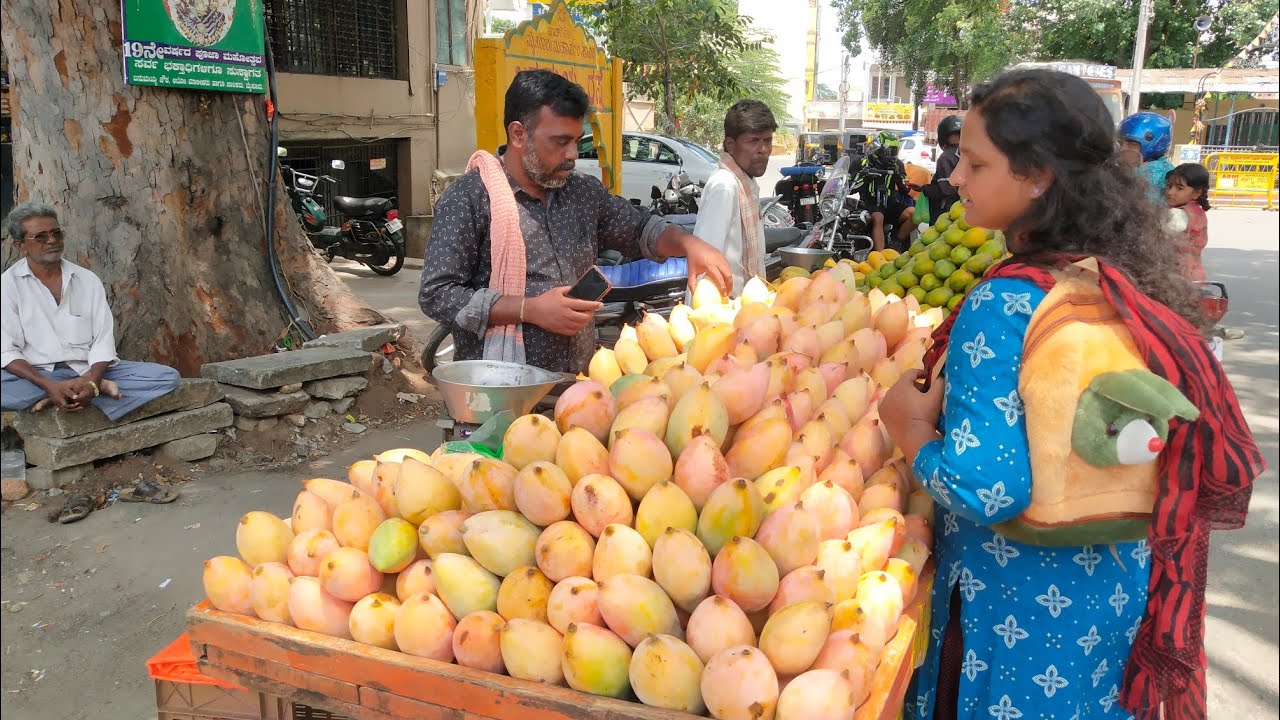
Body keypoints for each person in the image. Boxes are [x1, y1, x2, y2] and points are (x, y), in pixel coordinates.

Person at [877, 69, 1262, 720]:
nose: (954, 179)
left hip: (1012, 622)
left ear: (1038, 176)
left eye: (975, 163)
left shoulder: (1004, 304)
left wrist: (911, 427)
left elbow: (988, 487)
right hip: (1105, 596)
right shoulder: (1113, 281)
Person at [418, 70, 731, 375]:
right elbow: (437, 294)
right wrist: (529, 309)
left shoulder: (582, 192)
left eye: (577, 141)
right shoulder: (470, 197)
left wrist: (689, 245)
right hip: (499, 386)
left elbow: (639, 229)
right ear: (518, 134)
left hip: (577, 381)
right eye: (560, 141)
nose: (572, 154)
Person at [1, 202, 181, 421]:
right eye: (40, 237)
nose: (52, 241)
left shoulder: (86, 280)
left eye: (56, 233)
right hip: (37, 375)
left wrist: (93, 379)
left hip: (87, 369)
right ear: (20, 245)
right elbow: (7, 351)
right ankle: (75, 391)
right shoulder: (8, 286)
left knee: (166, 377)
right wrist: (49, 385)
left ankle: (71, 392)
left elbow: (103, 341)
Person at [693, 99, 777, 296]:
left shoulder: (746, 184)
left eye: (767, 141)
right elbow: (703, 262)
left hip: (744, 310)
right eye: (753, 141)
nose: (763, 150)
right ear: (731, 145)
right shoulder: (724, 186)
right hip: (724, 312)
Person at [852, 130, 916, 252]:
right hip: (868, 205)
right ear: (877, 149)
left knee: (914, 213)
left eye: (893, 151)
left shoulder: (897, 164)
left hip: (891, 204)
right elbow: (849, 187)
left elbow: (906, 189)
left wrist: (897, 174)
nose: (890, 155)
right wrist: (866, 176)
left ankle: (896, 242)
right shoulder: (861, 162)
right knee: (878, 217)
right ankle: (880, 256)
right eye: (887, 151)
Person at [1164, 163, 1212, 281]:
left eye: (1179, 188)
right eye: (1169, 186)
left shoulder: (1177, 215)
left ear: (1196, 193)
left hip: (1176, 277)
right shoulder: (1198, 212)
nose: (1170, 192)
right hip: (1195, 273)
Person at [1118, 111, 1174, 203]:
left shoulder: (1152, 172)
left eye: (1132, 144)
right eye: (1120, 143)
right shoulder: (1165, 167)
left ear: (1155, 144)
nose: (1122, 149)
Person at [918, 115, 962, 216]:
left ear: (942, 135)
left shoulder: (946, 157)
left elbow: (947, 189)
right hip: (965, 209)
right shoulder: (969, 153)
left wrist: (925, 189)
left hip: (947, 211)